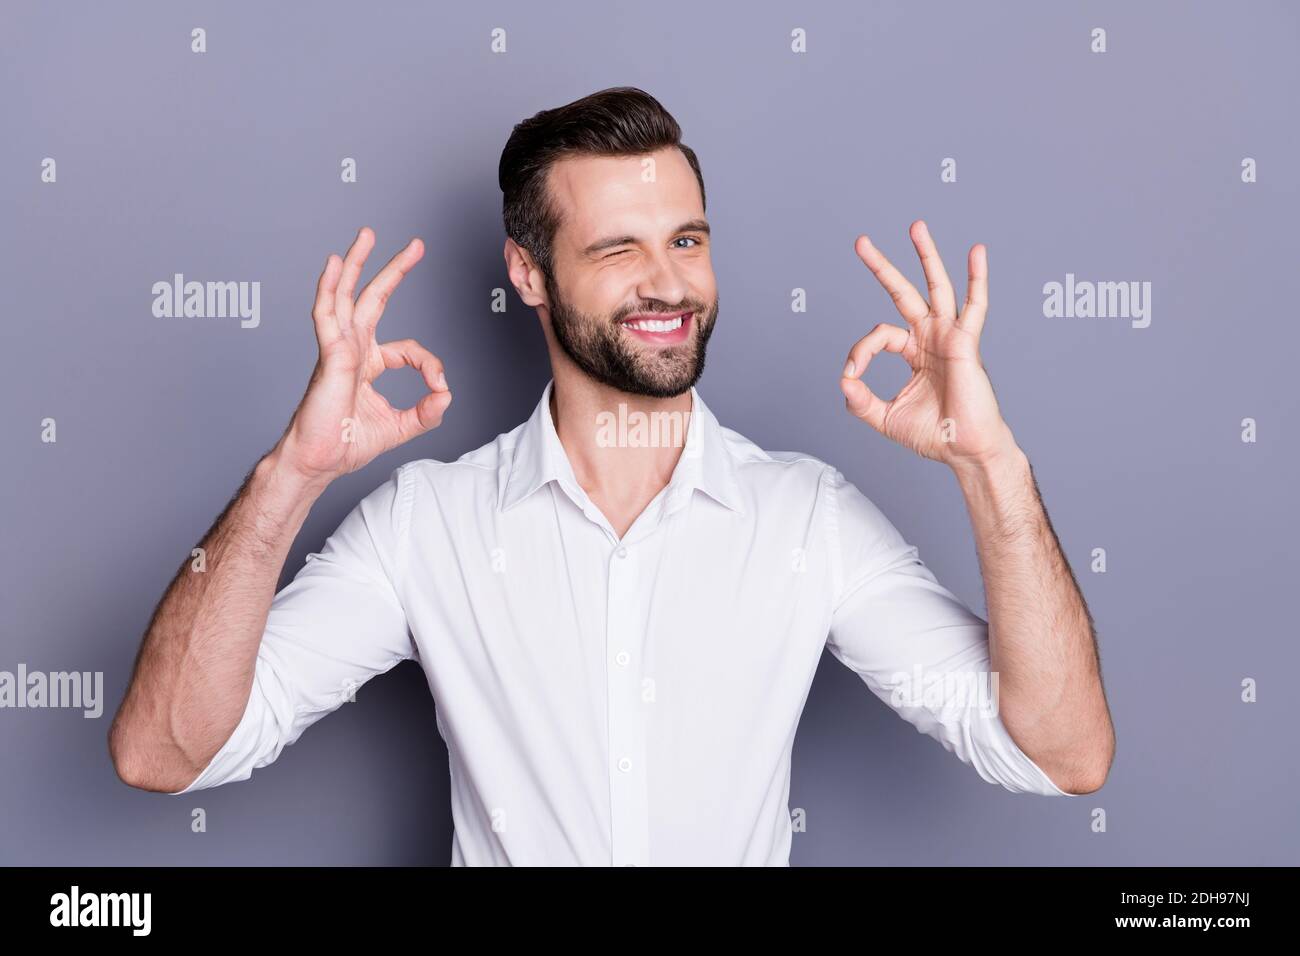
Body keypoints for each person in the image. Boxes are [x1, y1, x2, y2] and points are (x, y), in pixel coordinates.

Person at [109, 86, 1114, 866]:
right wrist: (294, 472)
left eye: (686, 239)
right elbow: (164, 750)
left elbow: (1062, 753)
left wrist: (991, 466)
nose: (668, 282)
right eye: (618, 249)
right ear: (530, 275)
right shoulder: (429, 525)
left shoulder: (806, 519)